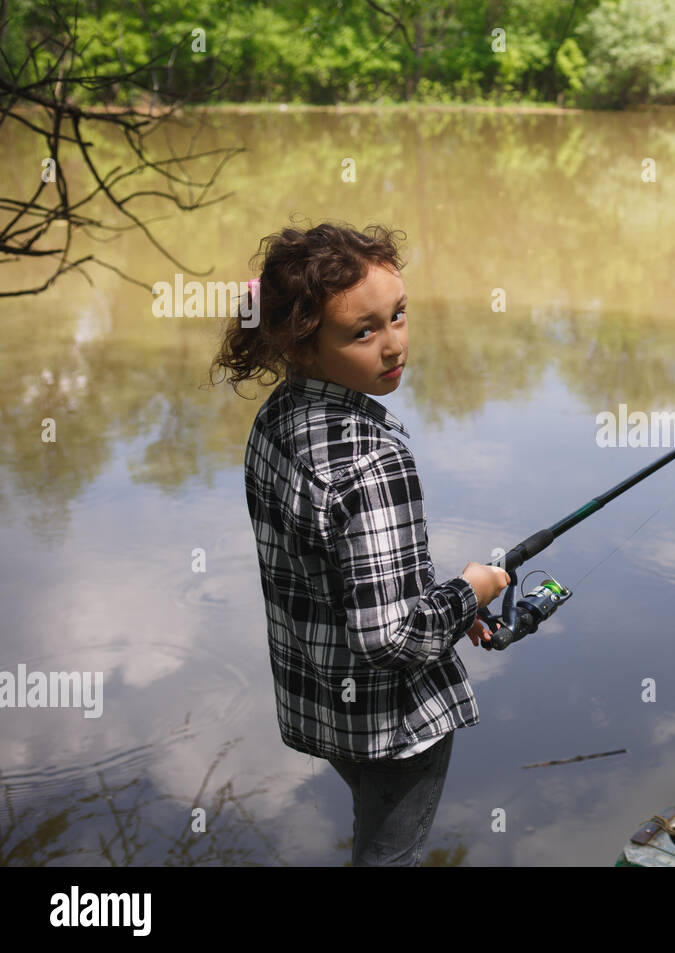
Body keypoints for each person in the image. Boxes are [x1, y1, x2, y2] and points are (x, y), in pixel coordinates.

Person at [208, 221, 509, 866]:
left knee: (368, 828)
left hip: (320, 695)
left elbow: (342, 573)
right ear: (303, 344)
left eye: (398, 315)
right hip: (396, 719)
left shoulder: (277, 419)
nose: (394, 344)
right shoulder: (373, 463)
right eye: (363, 332)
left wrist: (449, 606)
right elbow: (393, 639)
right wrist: (472, 589)